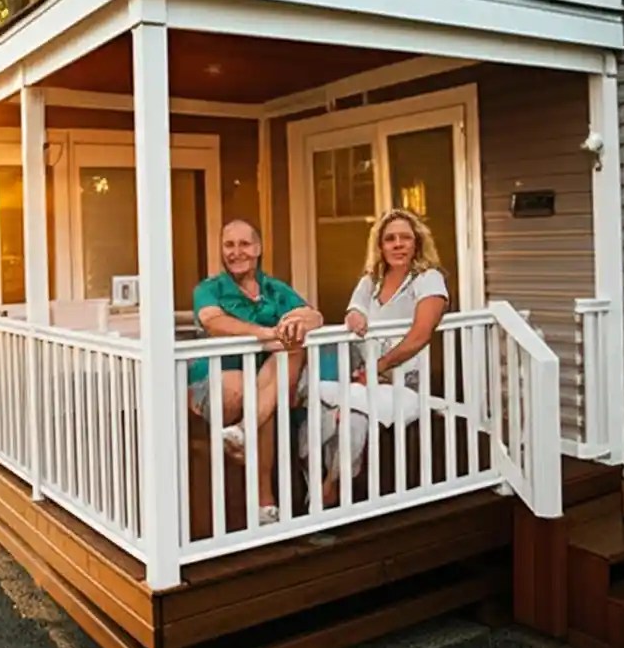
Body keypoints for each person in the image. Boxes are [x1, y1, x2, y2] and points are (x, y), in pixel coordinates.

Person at [300, 208, 449, 506]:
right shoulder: (373, 280)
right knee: (317, 397)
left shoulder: (428, 279)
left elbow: (420, 334)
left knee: (350, 414)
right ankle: (316, 476)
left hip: (403, 383)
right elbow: (354, 309)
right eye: (390, 239)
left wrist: (378, 367)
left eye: (405, 238)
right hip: (367, 379)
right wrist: (355, 315)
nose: (397, 244)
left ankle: (329, 488)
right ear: (380, 246)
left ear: (417, 243)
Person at [189, 219, 324, 525]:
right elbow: (213, 321)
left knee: (290, 349)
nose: (236, 252)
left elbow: (314, 315)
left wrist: (297, 322)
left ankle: (244, 430)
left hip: (263, 381)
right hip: (214, 381)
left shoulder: (274, 289)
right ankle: (265, 498)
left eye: (244, 244)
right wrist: (265, 333)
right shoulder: (210, 288)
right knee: (255, 386)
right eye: (229, 245)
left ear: (258, 248)